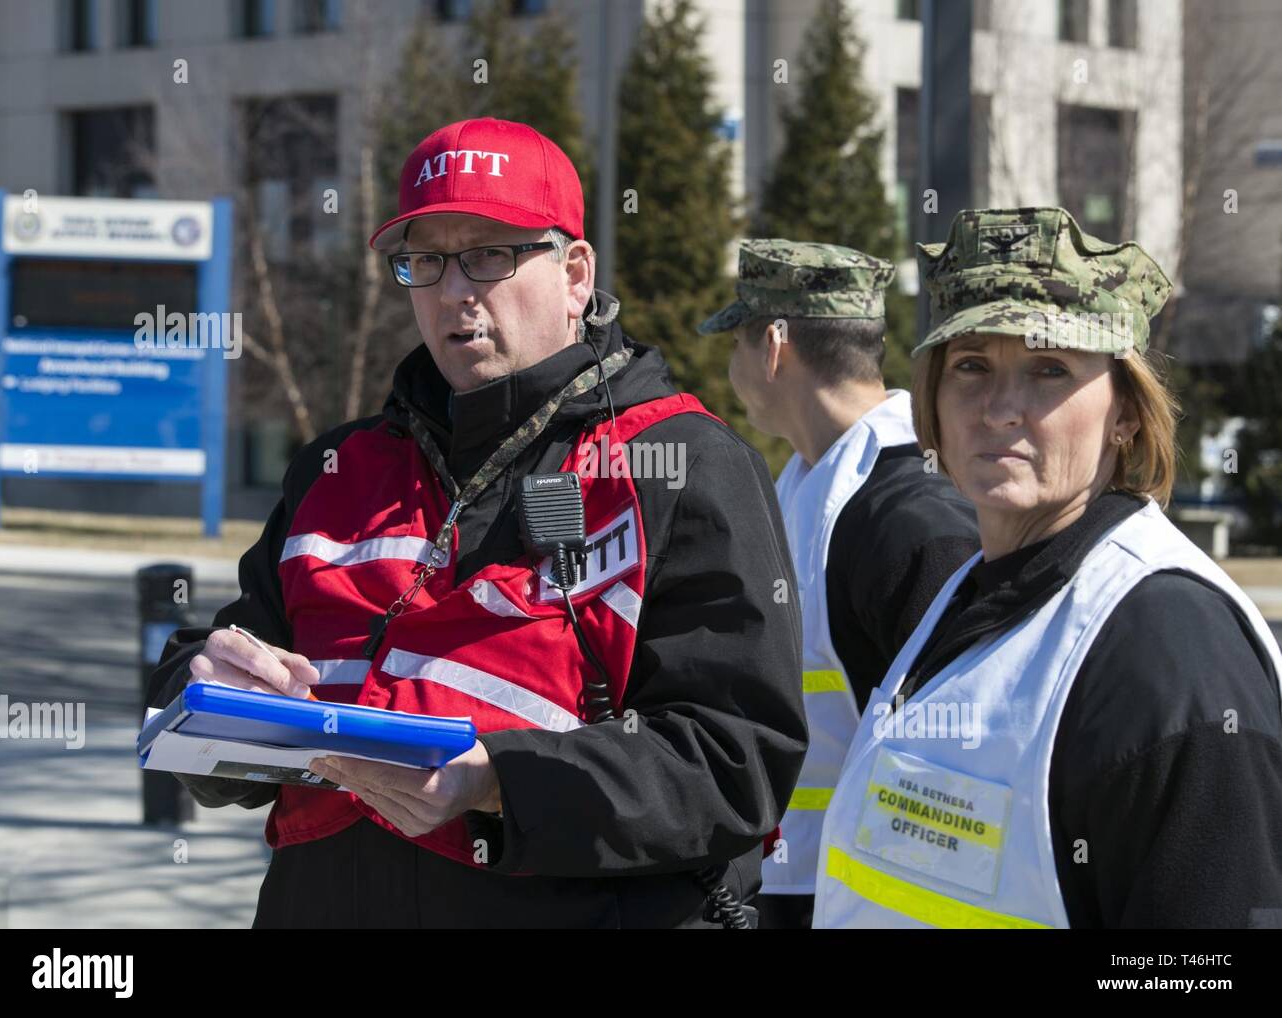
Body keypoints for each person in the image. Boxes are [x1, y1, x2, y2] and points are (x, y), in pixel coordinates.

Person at [145, 116, 806, 929]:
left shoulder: (681, 463)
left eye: (490, 254)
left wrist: (495, 780)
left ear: (574, 274)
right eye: (425, 260)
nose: (456, 291)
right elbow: (220, 714)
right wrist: (203, 687)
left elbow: (736, 763)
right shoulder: (335, 470)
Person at [814, 206, 1282, 929]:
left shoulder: (1168, 649)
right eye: (971, 365)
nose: (1001, 409)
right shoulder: (972, 593)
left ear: (1125, 414)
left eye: (1049, 369)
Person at [698, 240, 980, 929]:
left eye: (735, 341)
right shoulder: (810, 486)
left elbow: (955, 761)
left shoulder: (908, 516)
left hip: (875, 900)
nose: (731, 366)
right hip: (807, 889)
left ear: (772, 345)